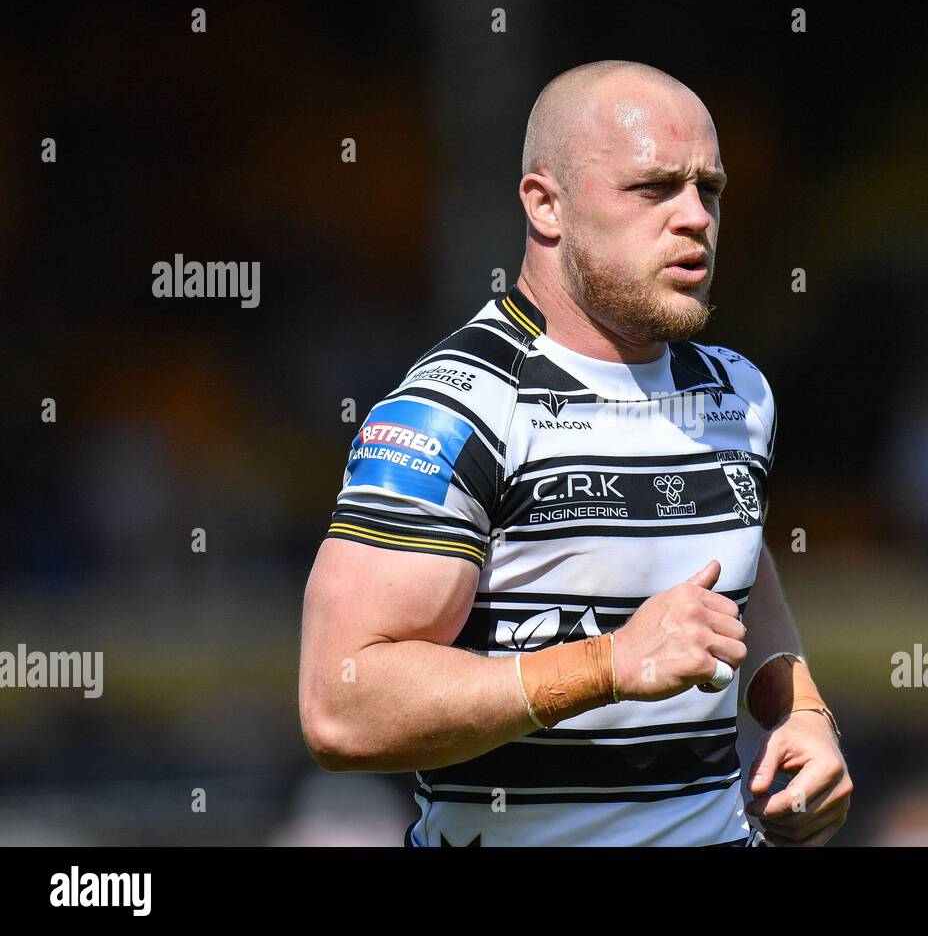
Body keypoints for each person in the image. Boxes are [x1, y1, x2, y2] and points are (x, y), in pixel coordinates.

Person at [298, 59, 852, 846]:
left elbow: (734, 572)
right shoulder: (455, 409)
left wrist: (796, 709)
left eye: (710, 189)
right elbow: (340, 707)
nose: (695, 216)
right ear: (546, 205)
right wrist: (606, 666)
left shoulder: (738, 393)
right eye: (654, 188)